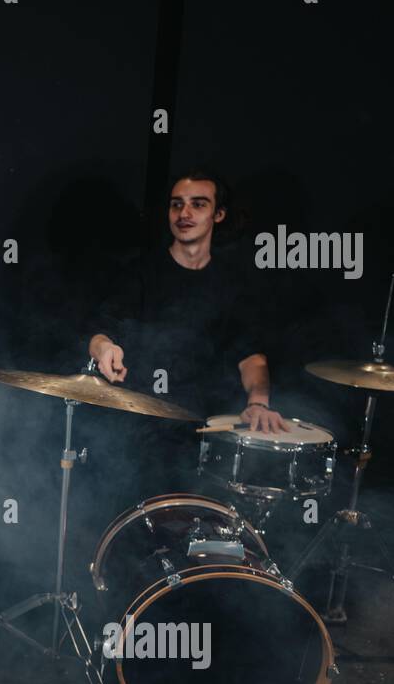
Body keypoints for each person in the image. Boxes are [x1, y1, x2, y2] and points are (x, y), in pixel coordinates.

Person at [83, 169, 292, 494]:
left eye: (198, 204)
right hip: (135, 430)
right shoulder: (141, 271)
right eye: (176, 205)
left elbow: (251, 357)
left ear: (218, 214)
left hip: (201, 433)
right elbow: (101, 333)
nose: (184, 214)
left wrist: (259, 402)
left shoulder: (232, 283)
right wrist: (104, 348)